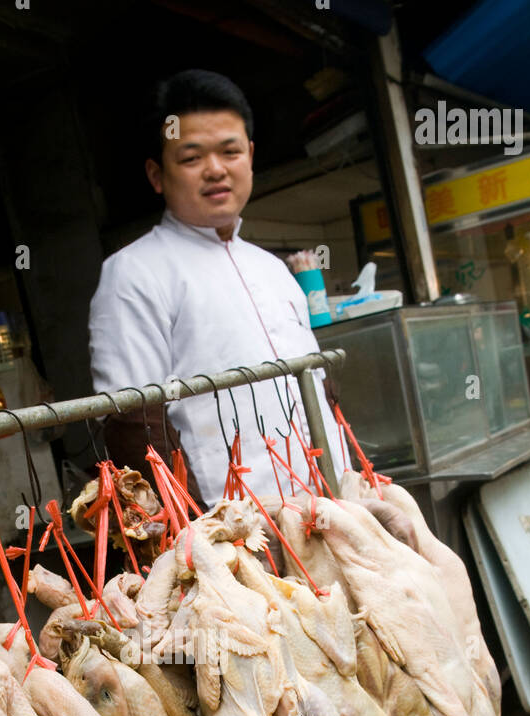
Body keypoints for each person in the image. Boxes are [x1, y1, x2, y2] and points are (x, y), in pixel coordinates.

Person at [89, 69, 346, 507]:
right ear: (156, 174)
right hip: (234, 528)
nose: (215, 170)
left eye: (229, 151)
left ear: (249, 155)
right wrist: (202, 543)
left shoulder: (273, 269)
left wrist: (348, 484)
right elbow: (133, 425)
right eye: (191, 158)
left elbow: (320, 388)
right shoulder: (133, 273)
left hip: (328, 506)